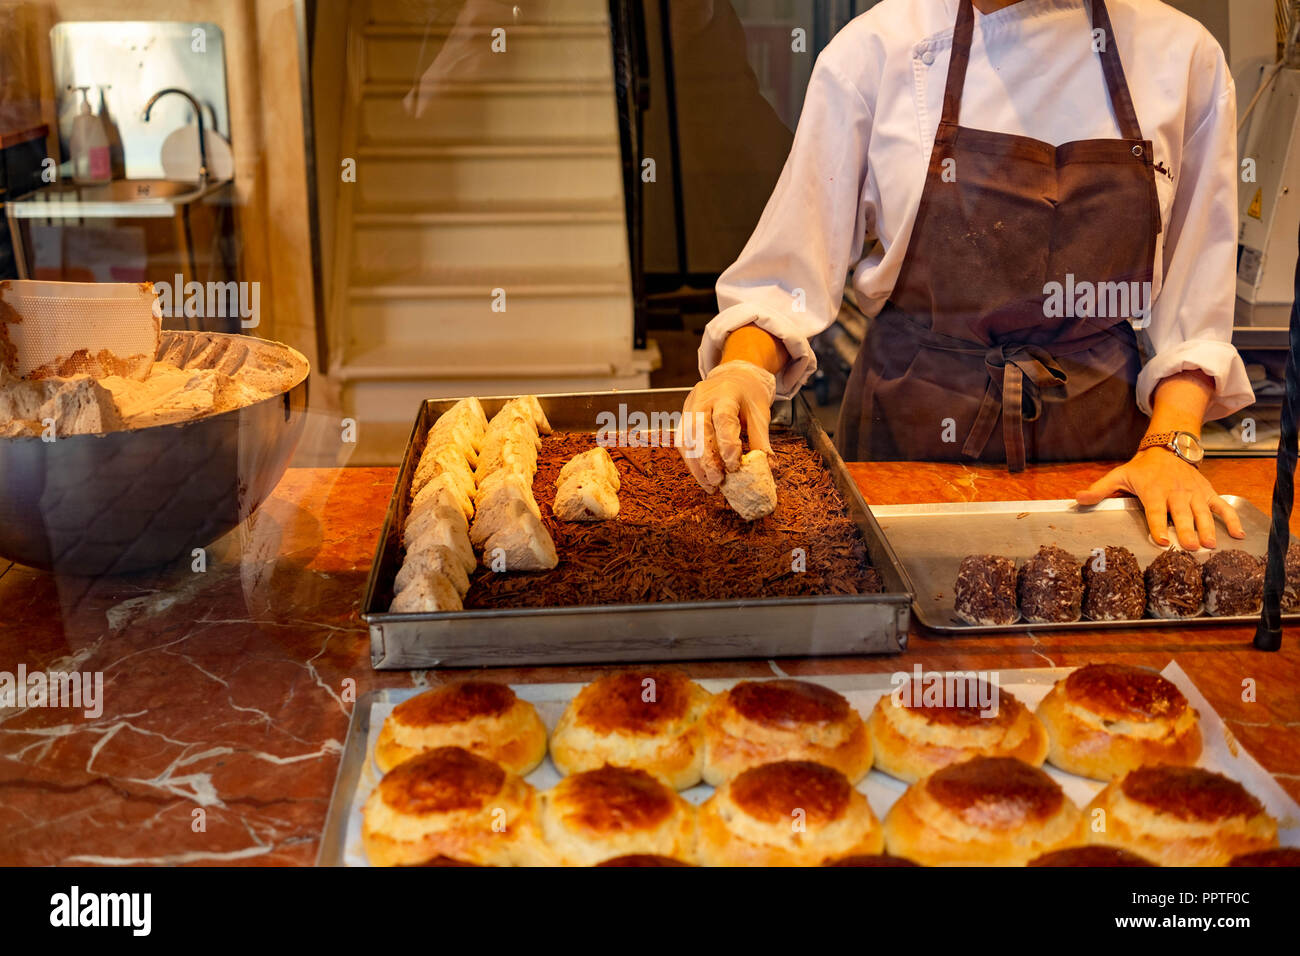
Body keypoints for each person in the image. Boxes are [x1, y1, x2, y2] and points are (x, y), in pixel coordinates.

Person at [679, 0, 1255, 552]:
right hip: (910, 440)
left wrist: (1171, 446)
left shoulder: (1182, 56)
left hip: (1108, 462)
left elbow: (1193, 304)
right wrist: (741, 369)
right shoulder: (874, 52)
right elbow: (788, 275)